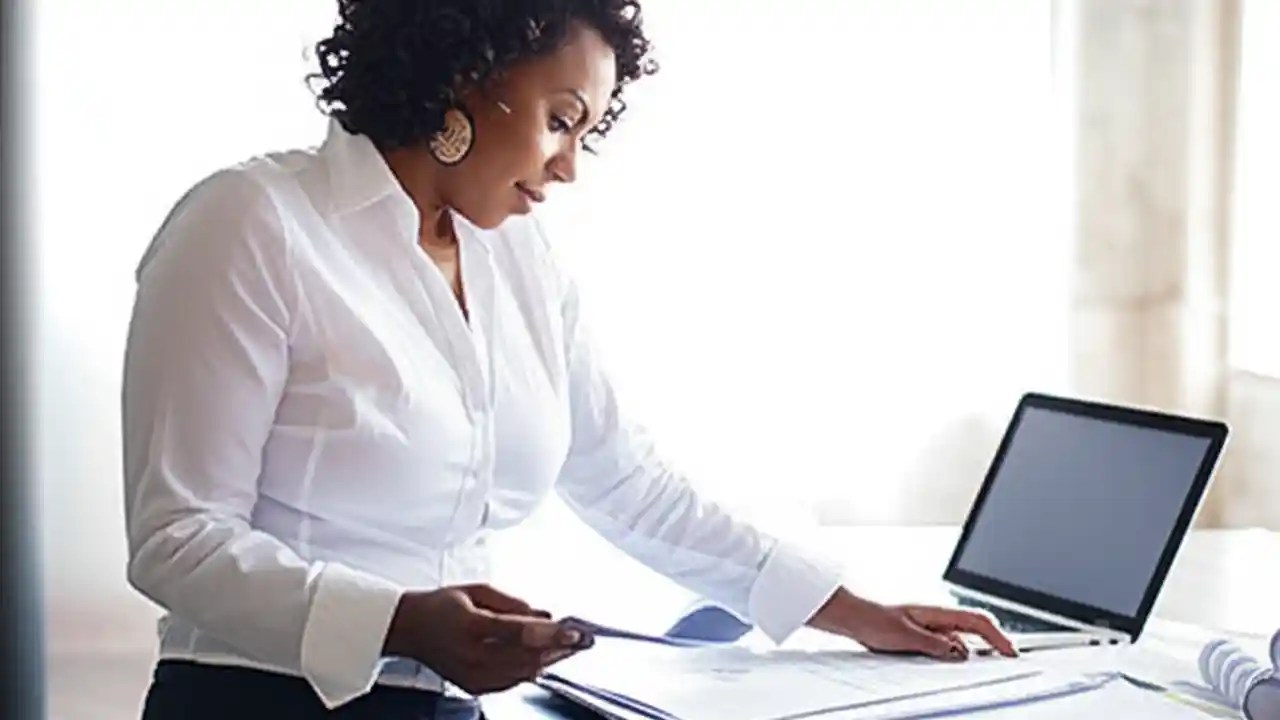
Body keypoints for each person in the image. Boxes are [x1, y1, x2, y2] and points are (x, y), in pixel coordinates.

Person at [122, 1, 1017, 718]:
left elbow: (628, 481)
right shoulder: (252, 223)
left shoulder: (515, 258)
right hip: (257, 700)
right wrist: (398, 623)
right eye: (560, 120)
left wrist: (853, 612)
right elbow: (178, 537)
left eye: (587, 131)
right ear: (466, 75)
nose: (568, 167)